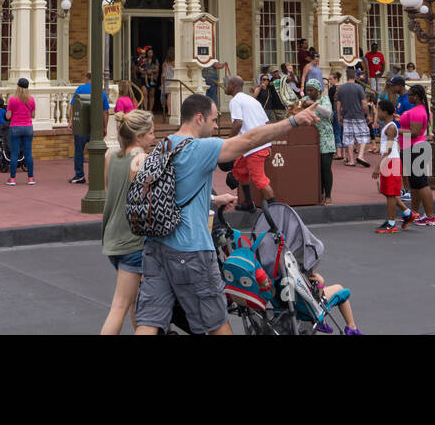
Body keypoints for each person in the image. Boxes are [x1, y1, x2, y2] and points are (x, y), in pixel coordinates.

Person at [133, 94, 317, 335]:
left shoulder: (164, 145)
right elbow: (250, 140)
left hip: (155, 245)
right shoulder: (199, 147)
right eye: (213, 119)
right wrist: (293, 121)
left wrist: (213, 199)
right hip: (191, 249)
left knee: (150, 319)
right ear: (199, 118)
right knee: (215, 321)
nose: (217, 125)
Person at [100, 110, 157, 334]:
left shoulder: (110, 157)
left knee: (136, 302)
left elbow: (109, 191)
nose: (154, 138)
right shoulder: (141, 159)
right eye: (151, 133)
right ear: (139, 136)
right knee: (120, 305)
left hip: (112, 238)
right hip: (133, 241)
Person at [226, 75, 273, 209]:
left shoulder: (235, 101)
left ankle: (275, 209)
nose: (226, 87)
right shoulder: (252, 101)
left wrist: (228, 143)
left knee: (260, 180)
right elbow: (267, 122)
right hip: (252, 146)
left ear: (233, 86)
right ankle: (248, 202)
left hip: (254, 147)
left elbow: (238, 123)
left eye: (228, 84)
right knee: (240, 171)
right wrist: (269, 144)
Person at [372, 98, 414, 233]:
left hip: (390, 161)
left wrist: (378, 166)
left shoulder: (391, 127)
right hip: (390, 161)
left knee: (390, 193)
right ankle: (408, 213)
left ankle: (391, 224)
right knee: (388, 192)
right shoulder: (387, 125)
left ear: (385, 112)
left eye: (378, 110)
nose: (377, 112)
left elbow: (389, 149)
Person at [402, 85, 435, 226]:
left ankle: (430, 216)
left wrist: (398, 130)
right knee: (415, 184)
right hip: (412, 147)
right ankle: (414, 213)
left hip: (416, 147)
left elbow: (415, 132)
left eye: (410, 94)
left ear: (416, 96)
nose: (408, 97)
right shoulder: (418, 110)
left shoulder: (417, 111)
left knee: (421, 182)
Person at [69, 73, 110, 184]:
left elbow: (73, 105)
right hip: (95, 128)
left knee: (79, 151)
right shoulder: (101, 92)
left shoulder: (80, 89)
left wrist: (71, 121)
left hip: (81, 126)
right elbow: (105, 112)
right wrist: (105, 127)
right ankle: (95, 176)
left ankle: (79, 175)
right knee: (95, 152)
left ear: (87, 79)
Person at [302, 77, 337, 206]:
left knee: (325, 167)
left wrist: (312, 104)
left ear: (318, 91)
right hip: (310, 139)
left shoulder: (324, 99)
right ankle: (318, 193)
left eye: (312, 90)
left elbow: (328, 114)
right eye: (307, 90)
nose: (309, 93)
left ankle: (328, 195)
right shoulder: (304, 100)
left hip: (326, 139)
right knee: (314, 168)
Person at [336, 68, 371, 168]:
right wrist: (367, 115)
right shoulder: (359, 87)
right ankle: (360, 156)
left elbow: (338, 105)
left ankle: (351, 160)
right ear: (355, 76)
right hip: (358, 115)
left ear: (346, 76)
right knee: (364, 136)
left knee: (349, 138)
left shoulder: (341, 88)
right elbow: (364, 103)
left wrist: (339, 116)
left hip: (347, 116)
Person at [6, 78, 36, 186]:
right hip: (28, 128)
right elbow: (33, 115)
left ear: (18, 87)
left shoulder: (12, 99)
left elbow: (8, 116)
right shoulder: (31, 99)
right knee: (28, 154)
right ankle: (31, 178)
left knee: (14, 154)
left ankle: (13, 178)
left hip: (15, 127)